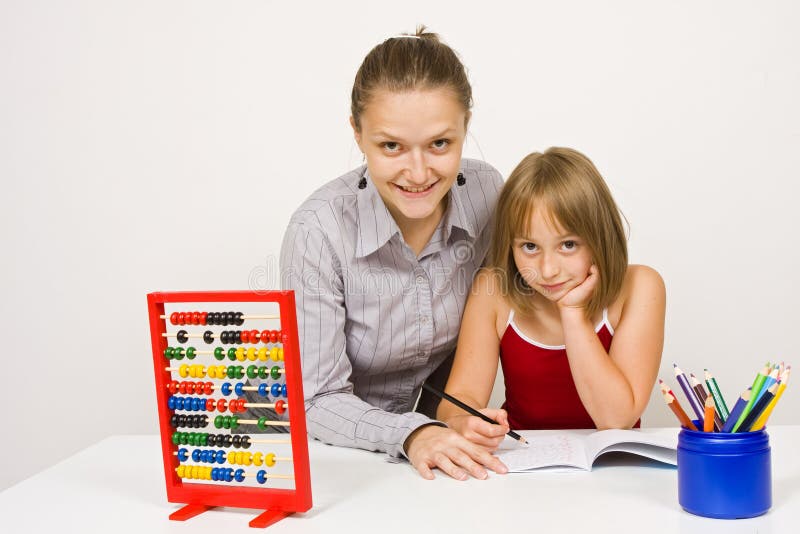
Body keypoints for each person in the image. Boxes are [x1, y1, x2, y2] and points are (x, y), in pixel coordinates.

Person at [274, 27, 506, 481]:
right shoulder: (317, 231)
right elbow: (315, 399)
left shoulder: (488, 194)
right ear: (357, 134)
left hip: (436, 457)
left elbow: (495, 318)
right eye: (391, 146)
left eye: (440, 143)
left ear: (466, 127)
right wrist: (414, 433)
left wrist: (457, 415)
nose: (418, 173)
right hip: (338, 458)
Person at [437, 147, 665, 450]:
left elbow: (615, 419)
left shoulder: (640, 286)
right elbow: (457, 399)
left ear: (600, 237)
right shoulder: (493, 290)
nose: (547, 270)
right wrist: (462, 419)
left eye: (568, 244)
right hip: (524, 462)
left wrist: (573, 313)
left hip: (614, 467)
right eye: (530, 247)